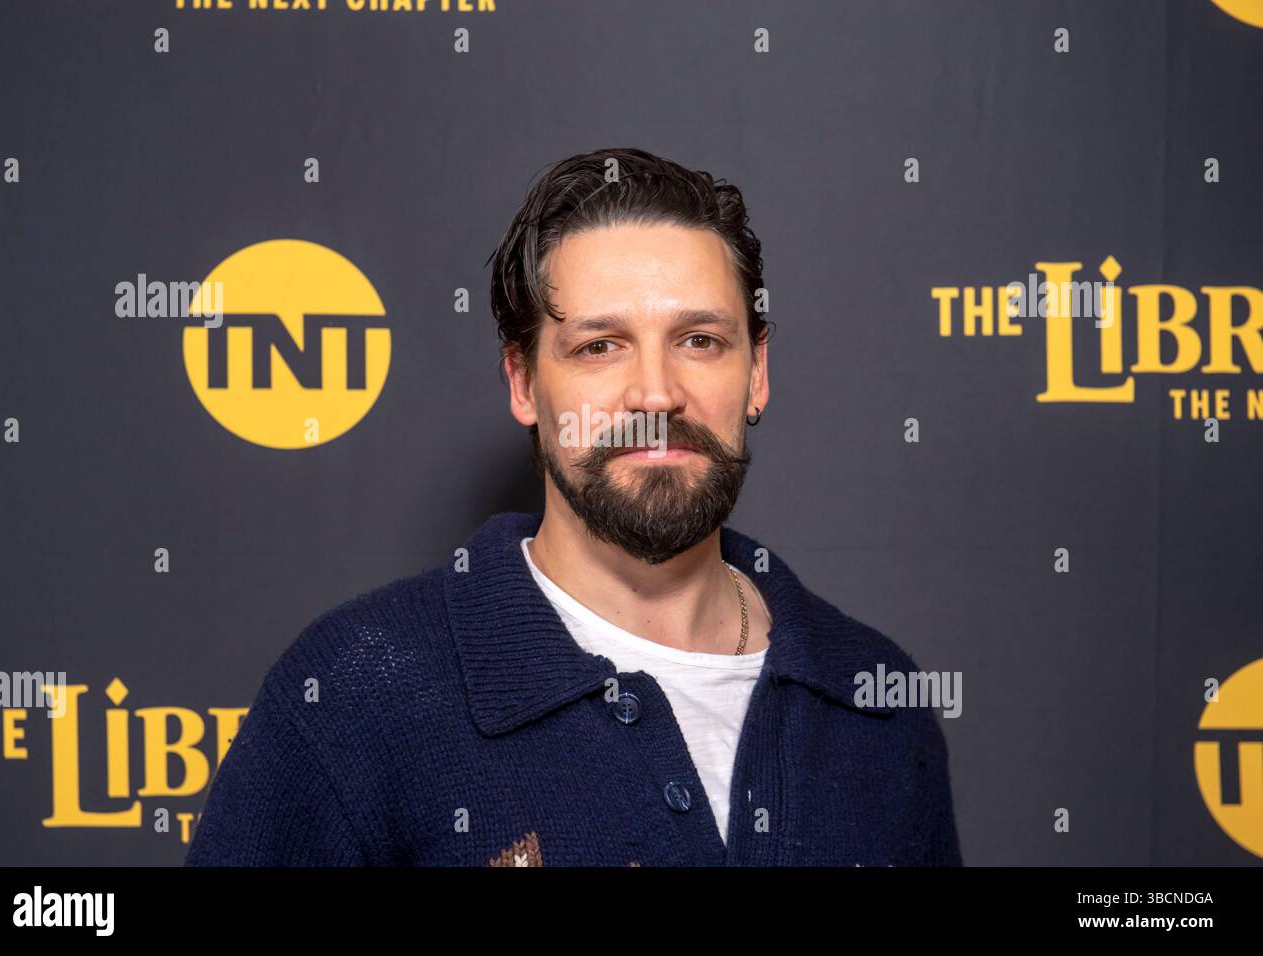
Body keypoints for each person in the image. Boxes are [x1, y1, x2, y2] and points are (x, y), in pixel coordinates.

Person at [185, 146, 961, 867]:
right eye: (600, 346)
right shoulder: (357, 694)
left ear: (756, 373)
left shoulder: (876, 696)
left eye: (699, 340)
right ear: (524, 384)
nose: (656, 393)